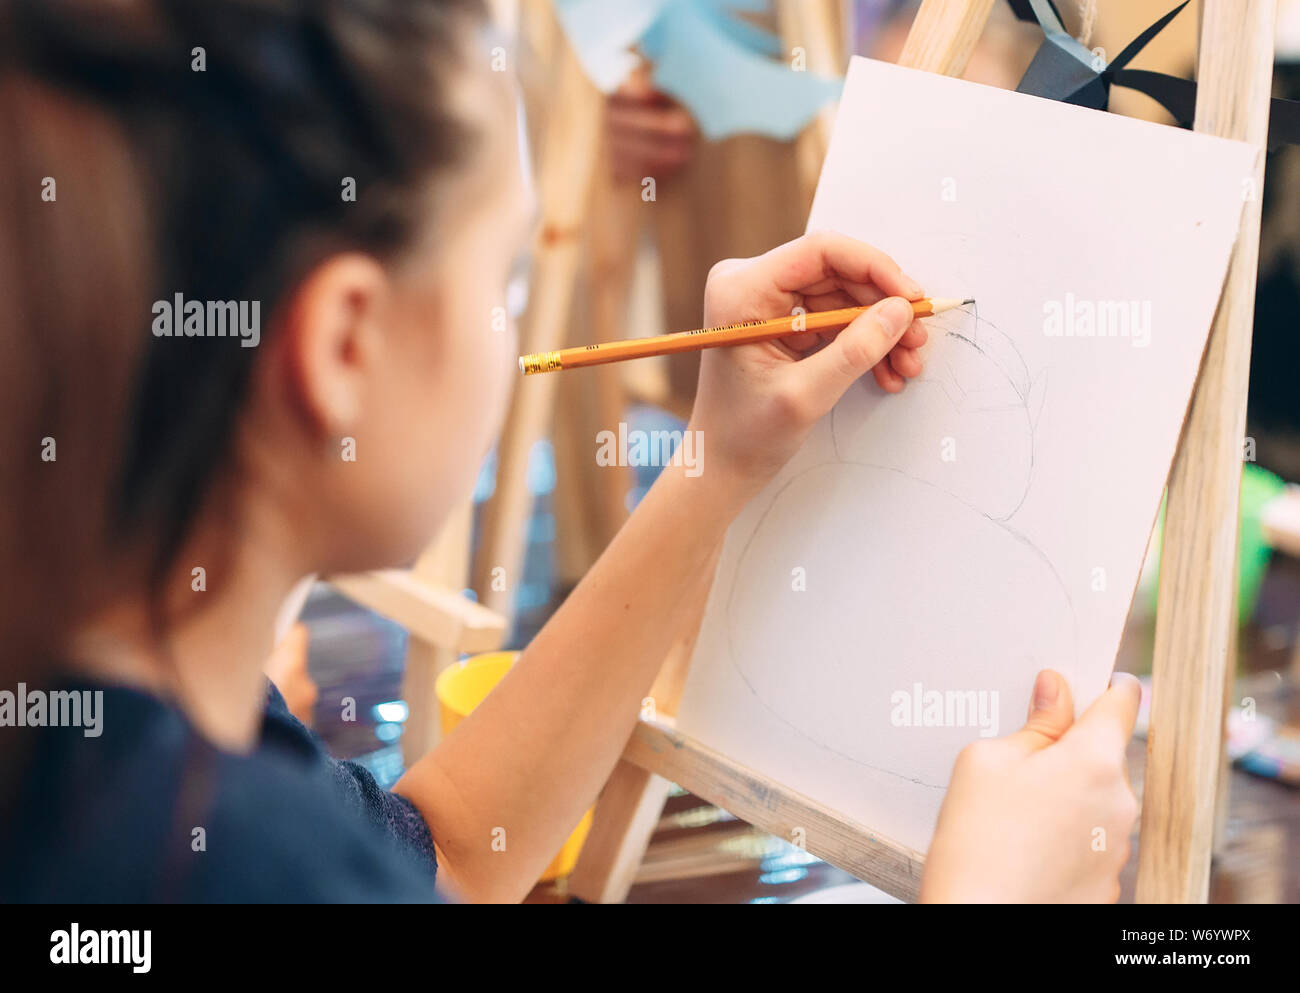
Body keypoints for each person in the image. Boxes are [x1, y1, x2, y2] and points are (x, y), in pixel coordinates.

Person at [0, 0, 1140, 903]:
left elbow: (443, 857)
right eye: (500, 276)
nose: (516, 328)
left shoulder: (127, 721)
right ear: (343, 342)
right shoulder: (228, 860)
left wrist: (718, 462)